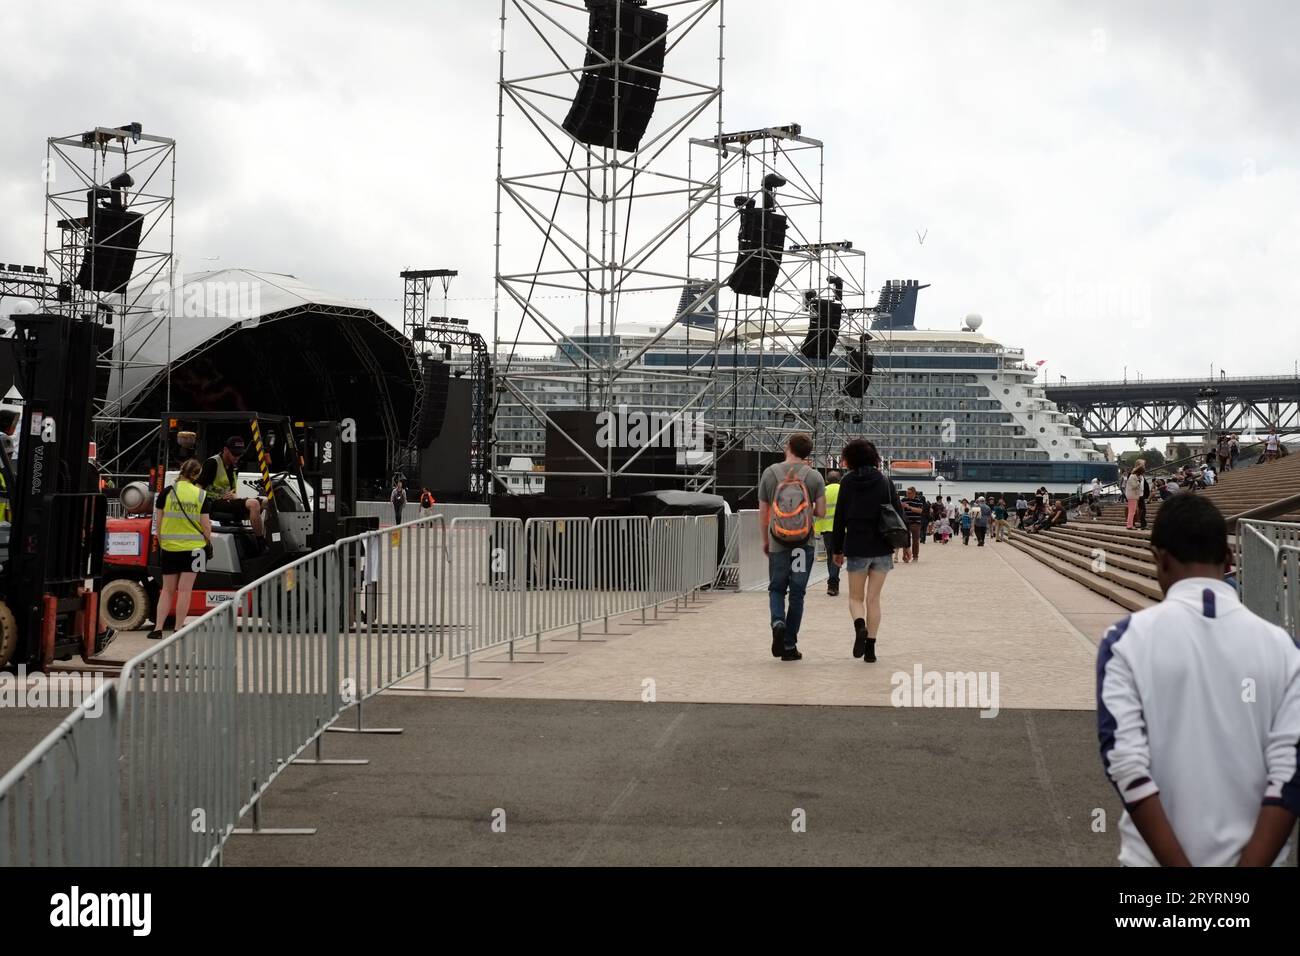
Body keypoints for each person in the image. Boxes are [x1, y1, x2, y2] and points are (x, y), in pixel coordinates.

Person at [1096, 494, 1300, 866]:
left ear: (1161, 559)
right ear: (1230, 560)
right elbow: (1290, 775)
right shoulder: (1286, 650)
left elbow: (1125, 763)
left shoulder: (1124, 641)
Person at [830, 439, 901, 665]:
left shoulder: (847, 482)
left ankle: (859, 626)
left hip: (857, 546)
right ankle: (870, 649)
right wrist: (905, 545)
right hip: (881, 546)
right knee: (874, 599)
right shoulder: (885, 482)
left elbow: (839, 517)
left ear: (851, 458)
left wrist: (837, 549)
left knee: (855, 597)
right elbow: (899, 515)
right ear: (874, 458)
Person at [759, 433, 826, 662]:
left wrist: (766, 540)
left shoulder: (770, 473)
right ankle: (789, 644)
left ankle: (778, 622)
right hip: (802, 543)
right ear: (808, 453)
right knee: (797, 594)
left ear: (787, 447)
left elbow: (764, 512)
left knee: (777, 588)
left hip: (778, 541)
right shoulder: (814, 476)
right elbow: (821, 512)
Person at [149, 457, 213, 641]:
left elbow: (158, 523)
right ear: (196, 475)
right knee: (185, 590)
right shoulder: (201, 495)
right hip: (194, 549)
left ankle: (158, 628)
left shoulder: (166, 493)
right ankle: (178, 629)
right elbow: (206, 526)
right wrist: (207, 542)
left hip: (170, 548)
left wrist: (162, 543)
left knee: (167, 590)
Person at [197, 436, 265, 539]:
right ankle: (261, 542)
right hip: (214, 503)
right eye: (234, 454)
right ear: (225, 450)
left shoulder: (233, 466)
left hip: (229, 501)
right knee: (254, 504)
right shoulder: (212, 463)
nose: (237, 457)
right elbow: (198, 487)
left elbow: (231, 489)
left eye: (239, 454)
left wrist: (234, 495)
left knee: (267, 502)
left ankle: (272, 539)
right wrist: (201, 511)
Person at [815, 468, 842, 597]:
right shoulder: (844, 490)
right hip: (842, 530)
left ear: (826, 480)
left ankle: (832, 583)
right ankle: (833, 582)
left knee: (831, 556)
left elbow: (817, 511)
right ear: (840, 479)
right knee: (838, 555)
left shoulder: (822, 491)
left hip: (827, 529)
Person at [899, 486, 928, 563]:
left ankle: (915, 557)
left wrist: (909, 507)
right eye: (907, 493)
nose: (907, 494)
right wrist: (901, 506)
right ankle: (905, 557)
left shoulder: (918, 500)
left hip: (916, 523)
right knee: (905, 541)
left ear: (914, 493)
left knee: (915, 541)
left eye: (909, 493)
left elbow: (920, 511)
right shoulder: (903, 500)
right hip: (905, 523)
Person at [1124, 464, 1143, 530]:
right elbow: (1134, 486)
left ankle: (1130, 525)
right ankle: (1129, 525)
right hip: (1132, 496)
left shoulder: (1133, 477)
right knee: (1132, 511)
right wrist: (1139, 481)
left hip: (1132, 496)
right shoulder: (1133, 477)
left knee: (1132, 511)